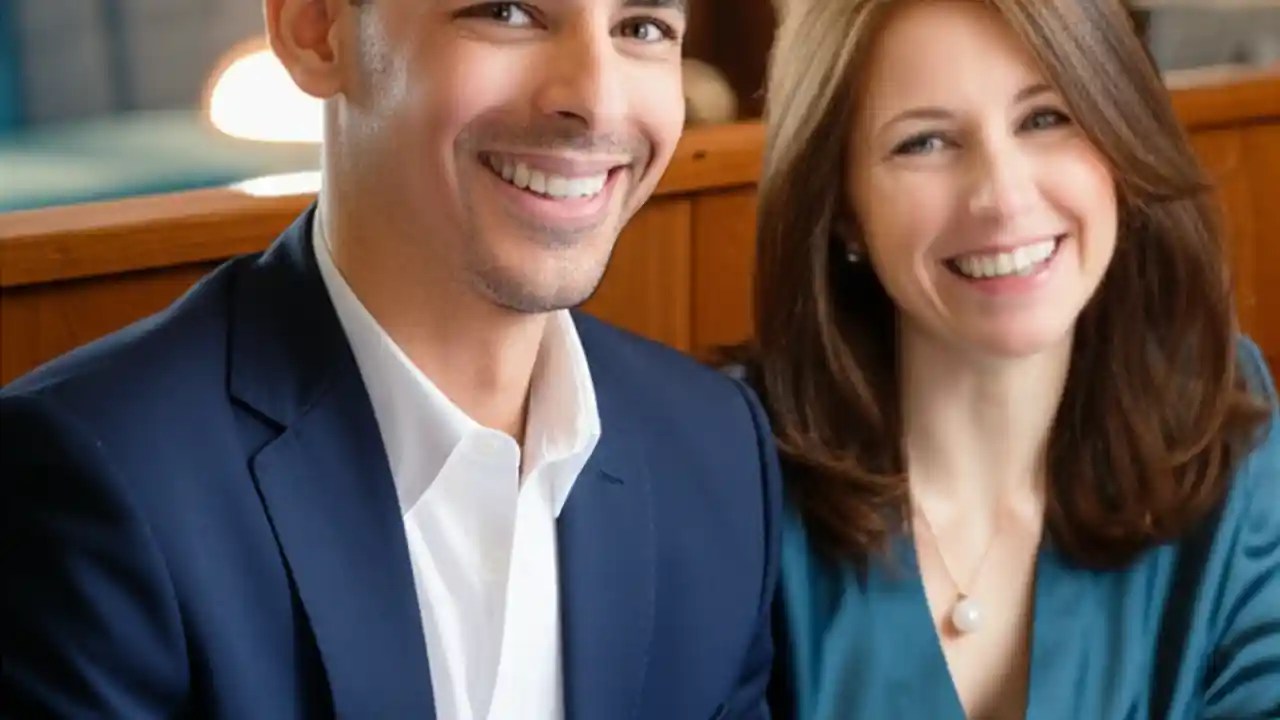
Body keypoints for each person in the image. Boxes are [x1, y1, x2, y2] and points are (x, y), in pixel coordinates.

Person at [1, 1, 780, 717]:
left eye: (641, 26)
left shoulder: (715, 451)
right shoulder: (101, 478)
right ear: (315, 30)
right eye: (507, 11)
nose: (598, 101)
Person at [750, 0, 1280, 718]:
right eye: (926, 142)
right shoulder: (734, 474)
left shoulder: (1224, 426)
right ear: (841, 205)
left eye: (1044, 118)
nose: (1002, 196)